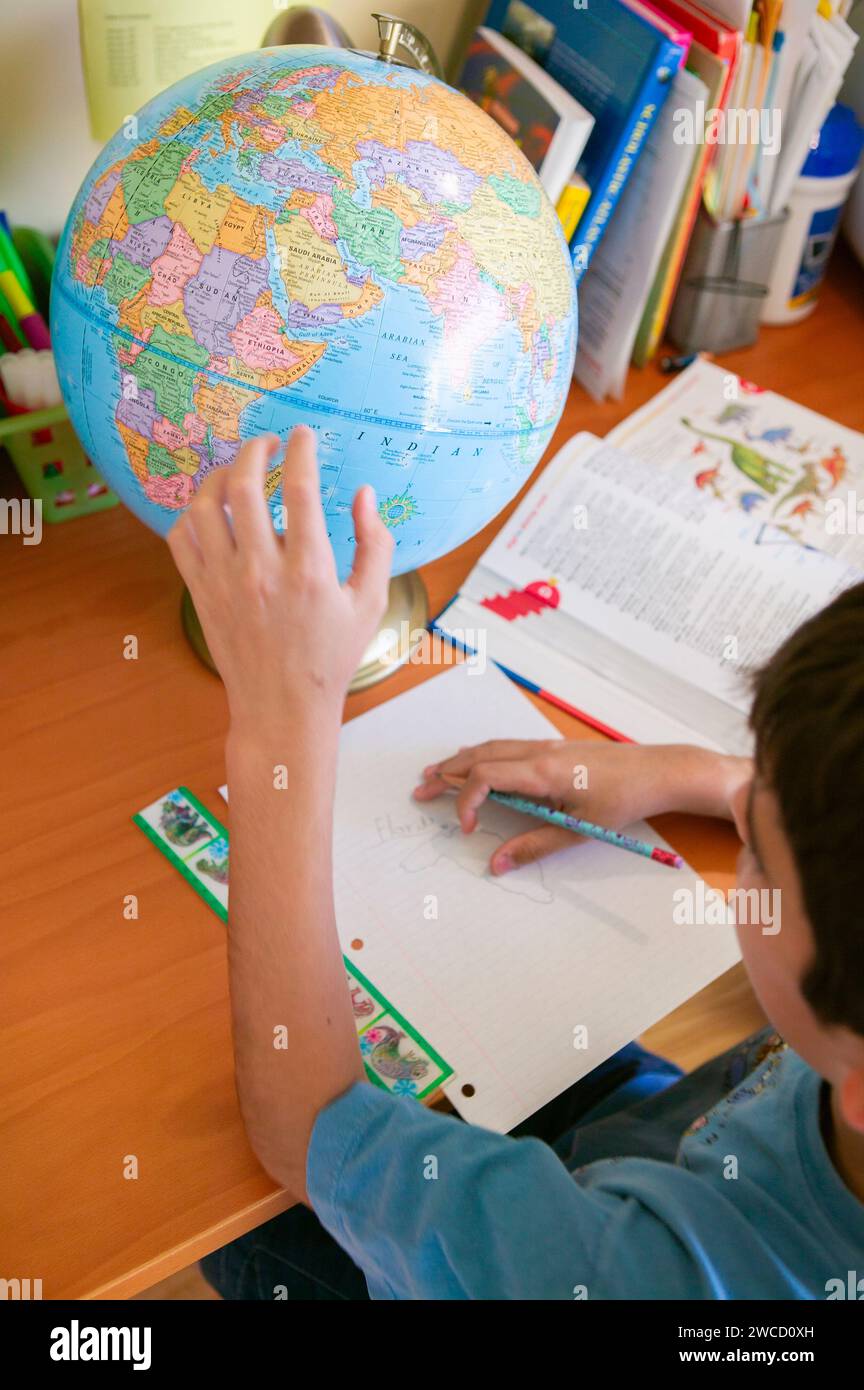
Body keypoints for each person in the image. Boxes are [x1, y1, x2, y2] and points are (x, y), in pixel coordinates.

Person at [167, 428, 864, 1300]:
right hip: (657, 1146)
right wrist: (695, 776)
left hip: (567, 1247)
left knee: (239, 1228)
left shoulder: (647, 1285)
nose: (745, 830)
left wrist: (280, 717)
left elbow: (305, 1122)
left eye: (755, 852)